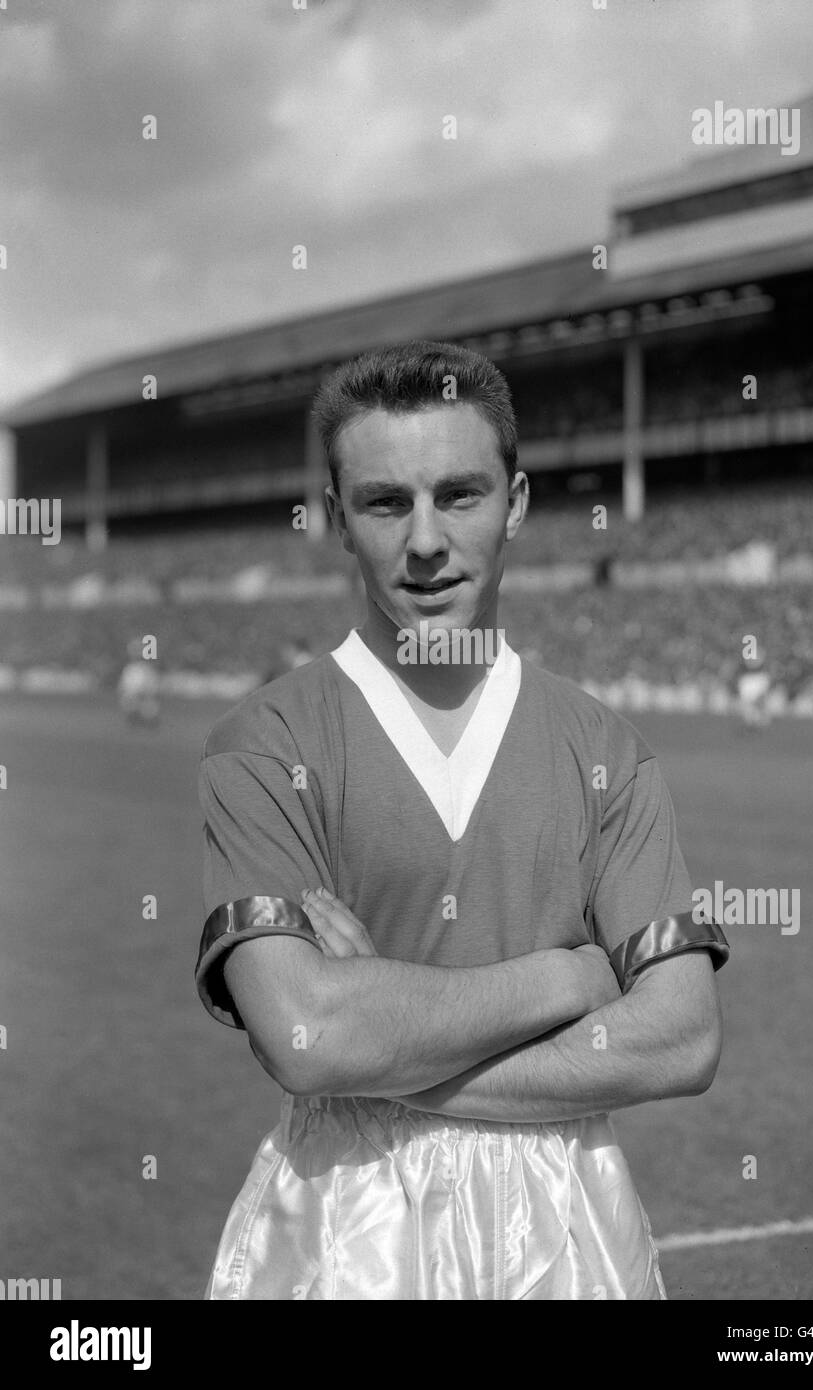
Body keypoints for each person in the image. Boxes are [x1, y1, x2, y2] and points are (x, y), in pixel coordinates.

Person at [194, 340, 729, 1301]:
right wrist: (568, 975)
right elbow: (309, 1036)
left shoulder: (606, 747)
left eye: (461, 494)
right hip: (345, 1221)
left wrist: (386, 1042)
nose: (427, 540)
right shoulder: (264, 744)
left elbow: (682, 1038)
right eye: (386, 502)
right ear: (334, 518)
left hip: (568, 1222)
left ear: (516, 503)